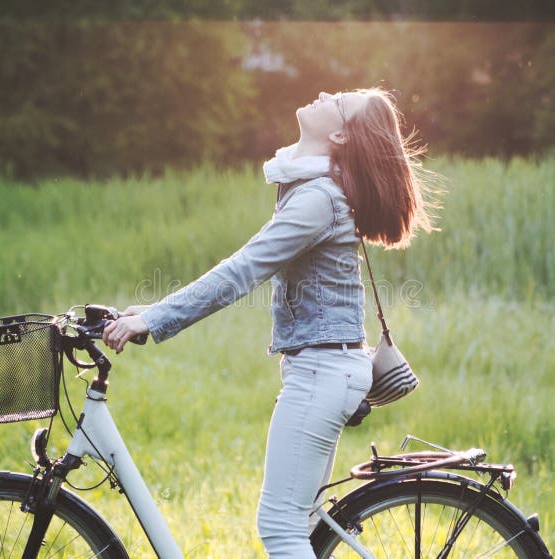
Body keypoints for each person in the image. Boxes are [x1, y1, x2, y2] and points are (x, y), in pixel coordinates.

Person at [103, 87, 438, 558]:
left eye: (337, 102)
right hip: (326, 369)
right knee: (298, 524)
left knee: (280, 527)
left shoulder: (318, 199)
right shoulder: (312, 189)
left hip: (322, 374)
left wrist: (157, 319)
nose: (322, 93)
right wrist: (153, 311)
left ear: (340, 134)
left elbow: (243, 269)